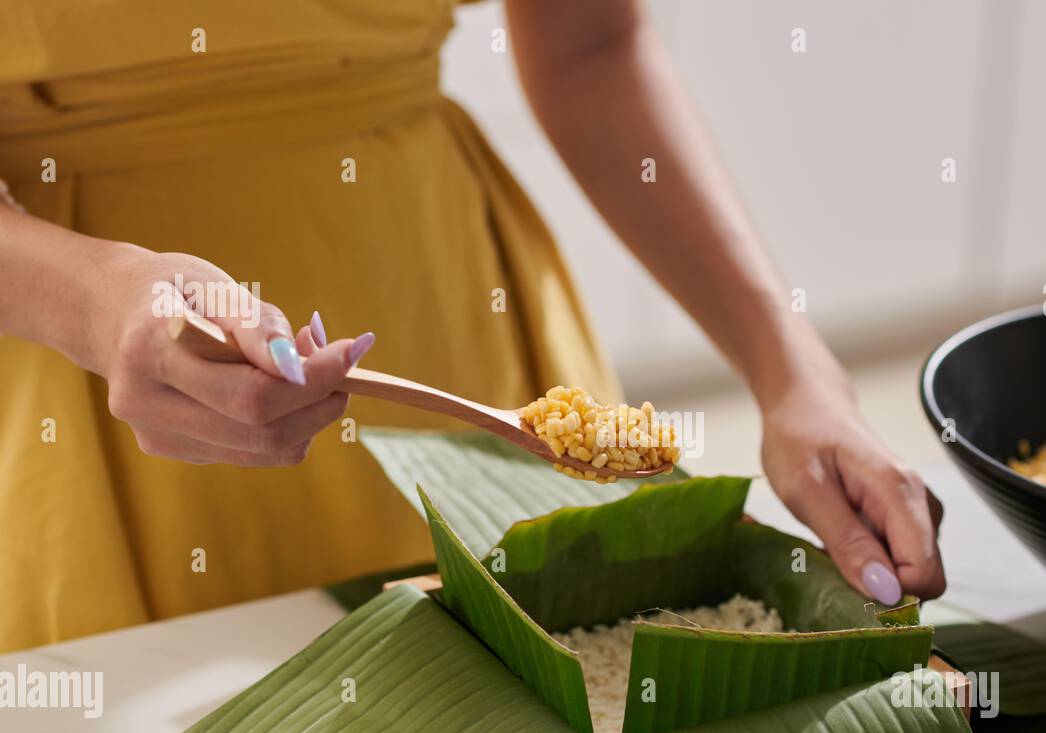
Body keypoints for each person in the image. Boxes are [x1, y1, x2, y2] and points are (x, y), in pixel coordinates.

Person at [0, 0, 945, 651]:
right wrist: (91, 299)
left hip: (438, 299)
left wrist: (795, 378)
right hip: (69, 362)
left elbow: (590, 46)